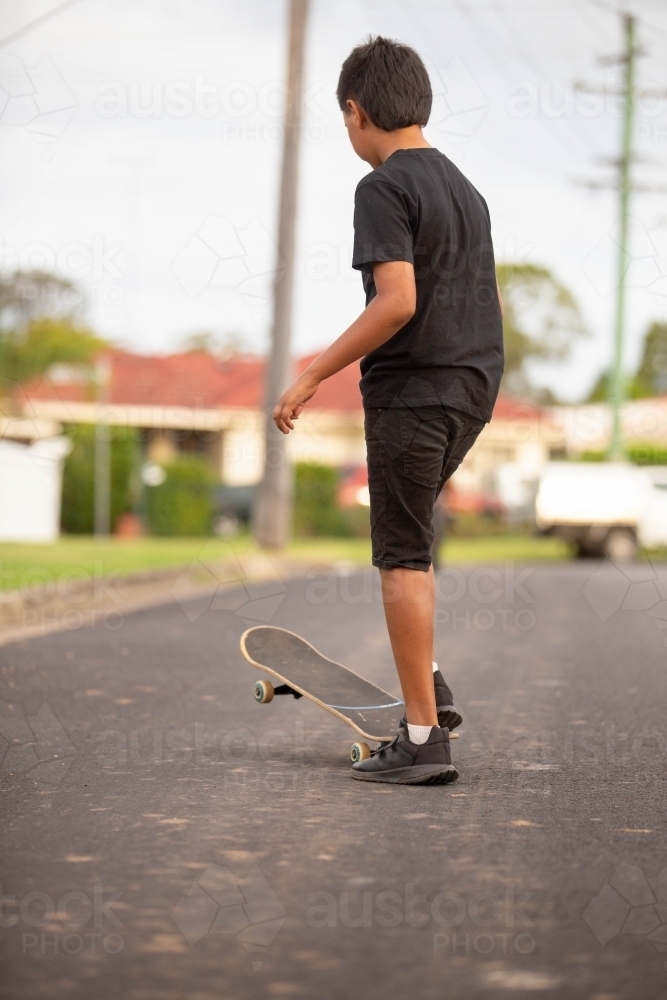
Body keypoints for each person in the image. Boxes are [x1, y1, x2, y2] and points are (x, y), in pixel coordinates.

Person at [273, 36, 504, 785]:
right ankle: (425, 684)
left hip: (415, 390)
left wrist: (312, 375)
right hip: (471, 387)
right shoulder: (466, 189)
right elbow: (484, 302)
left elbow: (396, 301)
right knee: (413, 538)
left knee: (401, 555)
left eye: (344, 120)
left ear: (355, 110)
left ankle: (420, 739)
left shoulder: (382, 187)